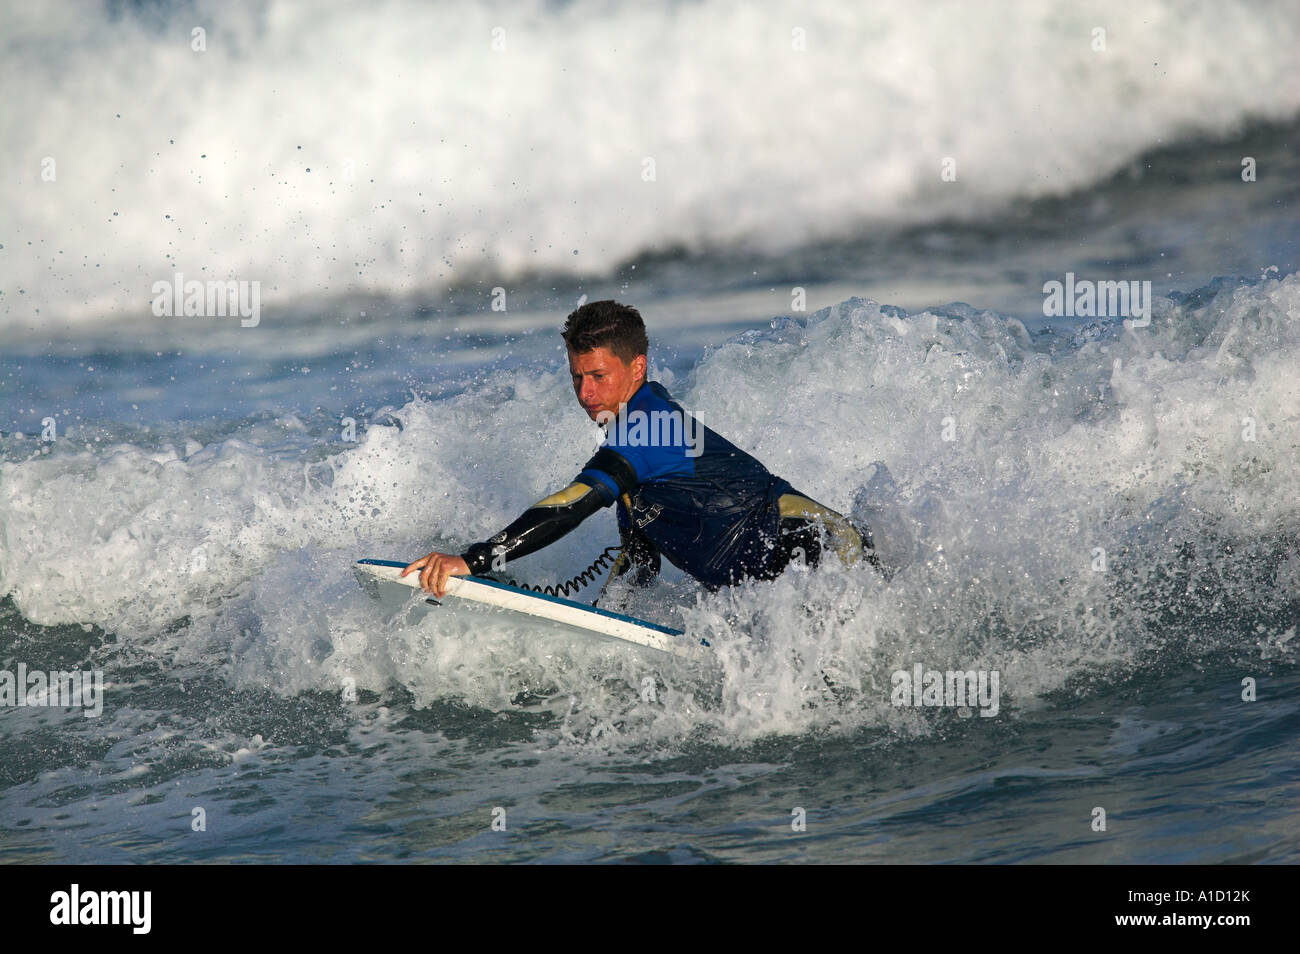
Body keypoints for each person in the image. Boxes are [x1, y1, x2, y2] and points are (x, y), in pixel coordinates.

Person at [402, 301, 876, 597]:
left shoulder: (653, 431)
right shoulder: (641, 458)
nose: (586, 394)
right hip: (788, 589)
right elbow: (642, 562)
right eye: (576, 377)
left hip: (832, 557)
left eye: (598, 377)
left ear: (637, 368)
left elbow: (571, 505)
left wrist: (473, 559)